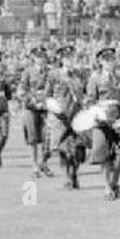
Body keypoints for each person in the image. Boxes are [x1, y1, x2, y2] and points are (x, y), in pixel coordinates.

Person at [85, 45, 120, 200]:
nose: (110, 62)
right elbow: (90, 100)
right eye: (106, 60)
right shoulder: (95, 79)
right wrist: (98, 108)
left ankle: (113, 183)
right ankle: (108, 186)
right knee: (104, 155)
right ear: (101, 62)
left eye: (112, 59)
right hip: (101, 121)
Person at [46, 44, 85, 190]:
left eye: (72, 57)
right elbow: (48, 95)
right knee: (63, 149)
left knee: (79, 150)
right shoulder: (54, 74)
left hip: (77, 115)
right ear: (61, 59)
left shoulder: (80, 74)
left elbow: (85, 93)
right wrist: (54, 107)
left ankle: (74, 173)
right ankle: (67, 178)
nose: (70, 60)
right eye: (67, 58)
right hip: (61, 116)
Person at [18, 45, 54, 178]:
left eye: (43, 56)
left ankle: (43, 163)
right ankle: (35, 166)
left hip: (46, 108)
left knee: (48, 138)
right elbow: (22, 89)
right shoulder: (27, 71)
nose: (40, 59)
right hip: (31, 107)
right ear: (33, 58)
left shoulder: (50, 72)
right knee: (33, 139)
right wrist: (32, 100)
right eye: (38, 56)